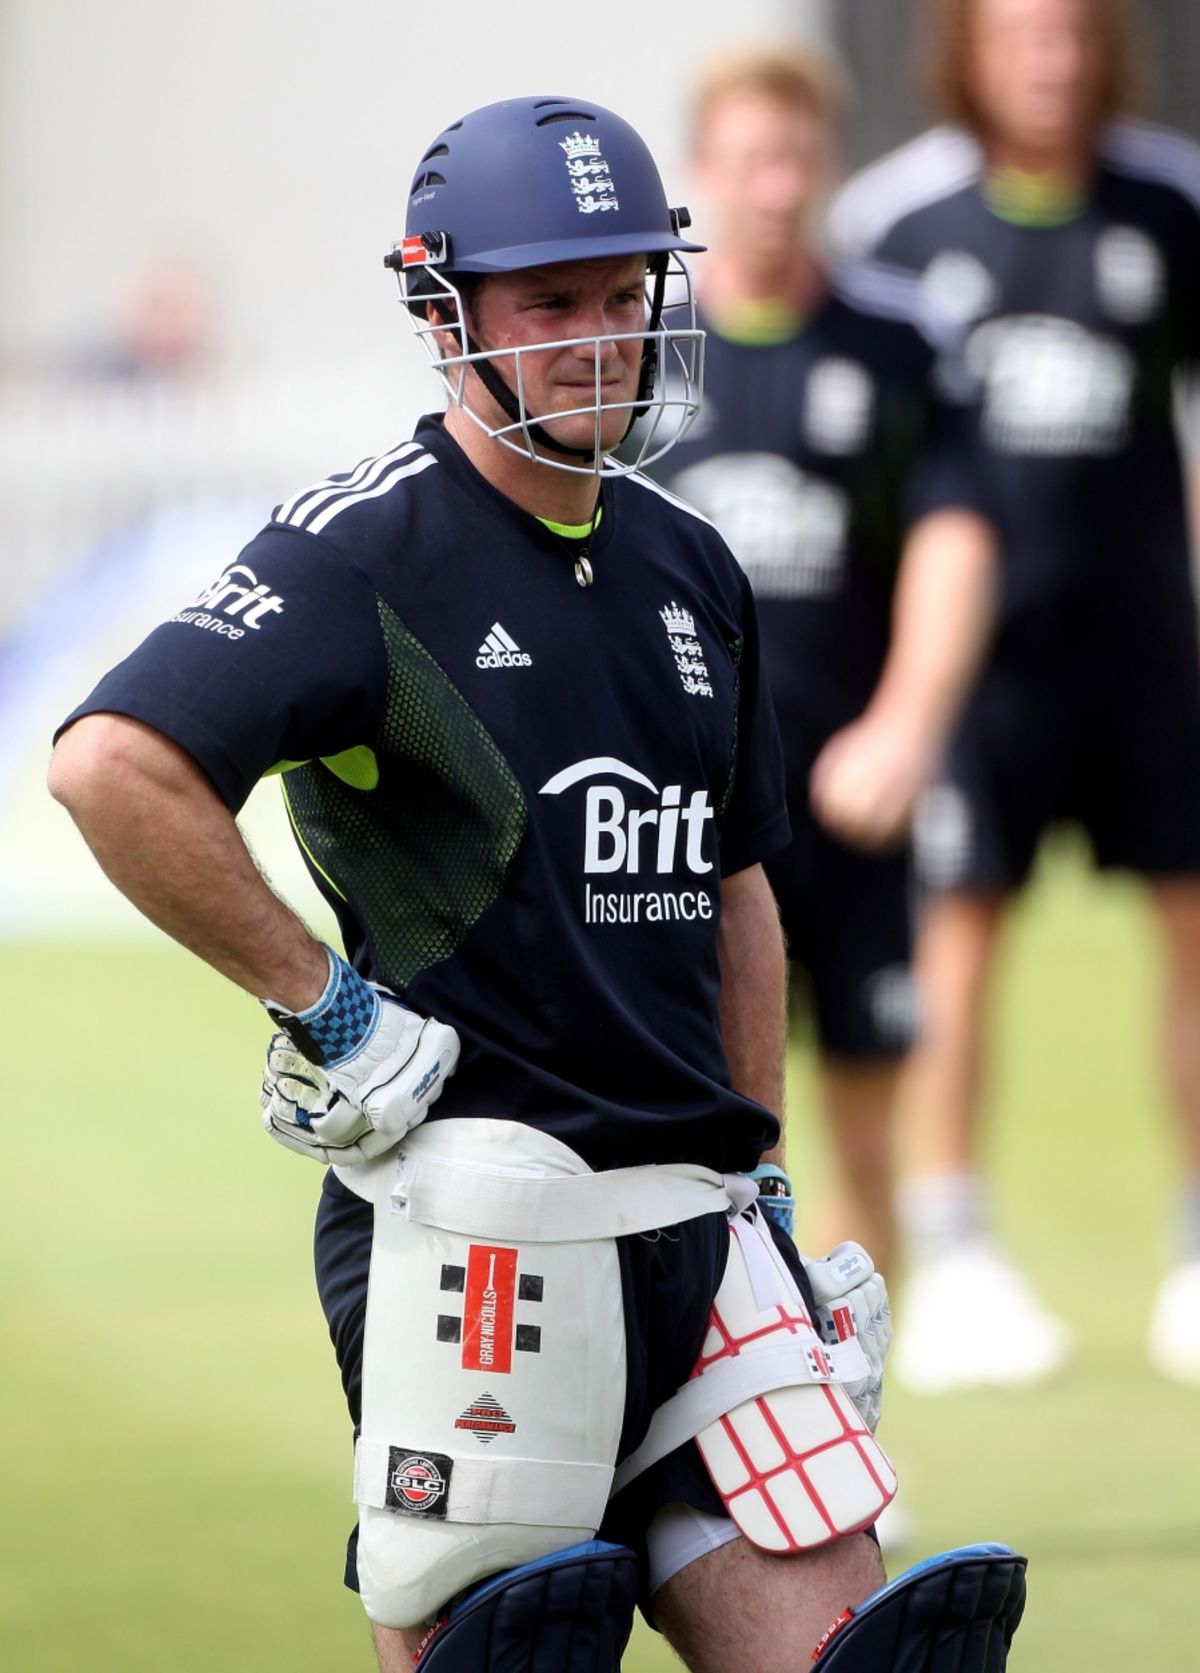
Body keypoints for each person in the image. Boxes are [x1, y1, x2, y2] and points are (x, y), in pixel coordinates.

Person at [48, 96, 1026, 1672]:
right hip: (475, 1243)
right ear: (449, 319)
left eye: (625, 291)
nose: (598, 336)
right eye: (547, 301)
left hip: (702, 1245)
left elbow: (736, 894)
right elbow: (112, 764)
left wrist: (764, 1189)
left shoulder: (689, 561)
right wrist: (331, 1008)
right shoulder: (357, 558)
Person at [831, 0, 1200, 1392]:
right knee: (961, 934)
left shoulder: (1170, 201)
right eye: (1019, 40)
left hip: (1153, 647)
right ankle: (958, 1246)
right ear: (970, 57)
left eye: (1068, 39)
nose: (1048, 63)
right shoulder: (900, 222)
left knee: (1191, 924)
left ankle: (1195, 1244)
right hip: (980, 669)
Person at [653, 45, 997, 1282]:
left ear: (827, 166)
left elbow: (956, 542)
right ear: (704, 172)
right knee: (704, 1132)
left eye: (797, 157)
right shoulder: (643, 348)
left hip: (848, 806)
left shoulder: (899, 344)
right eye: (751, 159)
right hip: (679, 820)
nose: (777, 186)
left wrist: (906, 725)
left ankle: (854, 1410)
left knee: (862, 1123)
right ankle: (705, 1413)